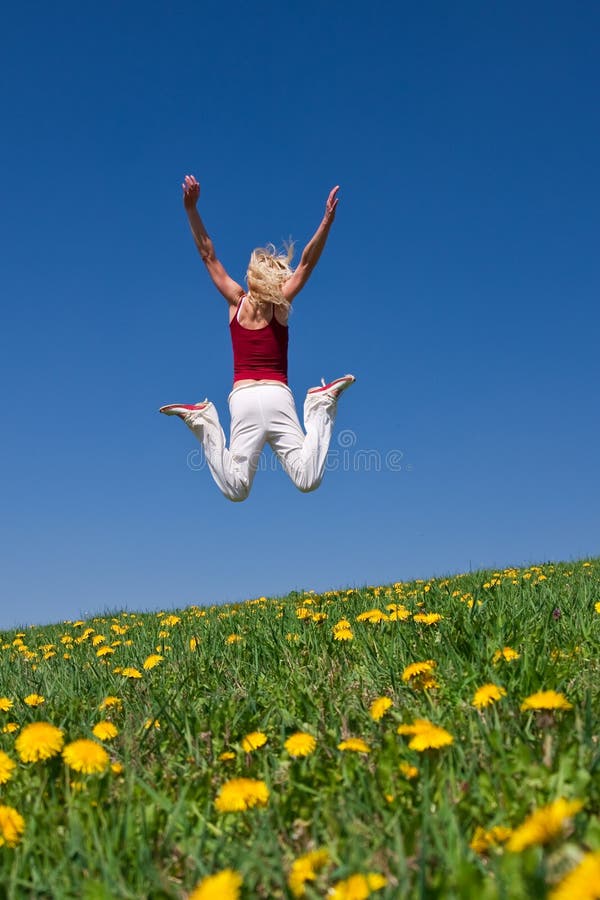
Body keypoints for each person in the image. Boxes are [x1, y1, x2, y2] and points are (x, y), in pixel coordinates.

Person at [159, 174, 355, 502]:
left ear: (251, 276)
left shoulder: (236, 302)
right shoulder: (280, 304)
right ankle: (320, 404)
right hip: (278, 398)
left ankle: (205, 421)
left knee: (236, 490)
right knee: (307, 479)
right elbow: (306, 264)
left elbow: (208, 255)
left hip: (244, 401)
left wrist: (191, 210)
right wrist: (326, 222)